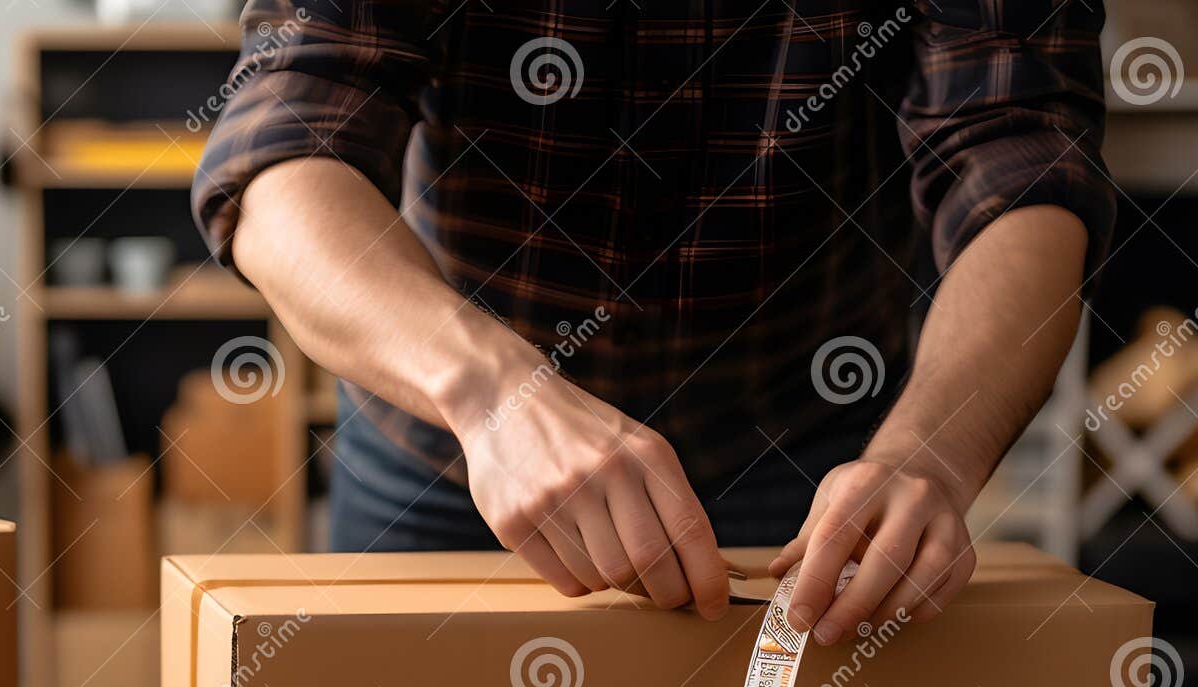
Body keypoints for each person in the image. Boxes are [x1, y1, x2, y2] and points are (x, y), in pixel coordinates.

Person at [193, 3, 1114, 642]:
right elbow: (283, 154)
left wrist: (935, 455)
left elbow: (1020, 158)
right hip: (450, 460)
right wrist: (493, 394)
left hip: (810, 470)